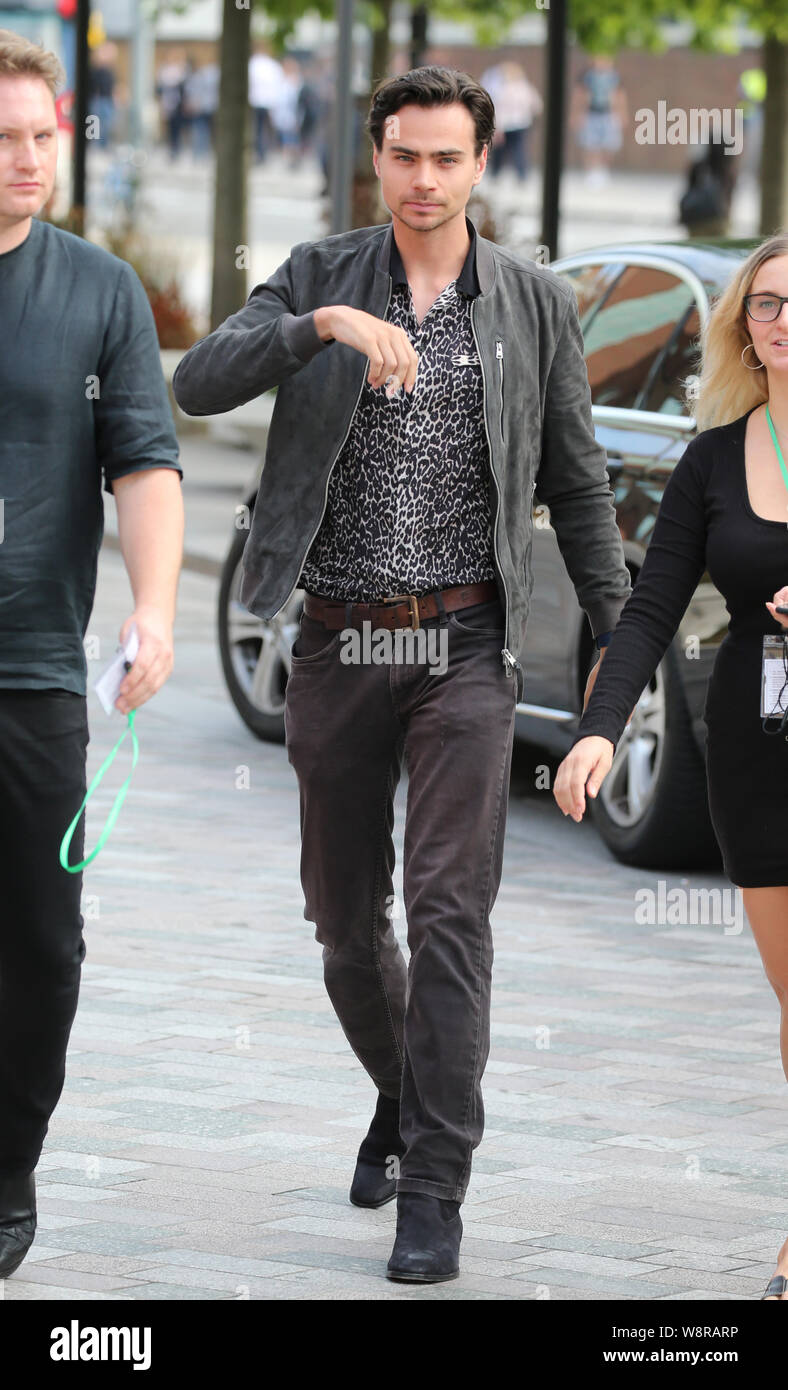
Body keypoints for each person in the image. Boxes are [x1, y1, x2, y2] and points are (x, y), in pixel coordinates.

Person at [172, 64, 631, 1284]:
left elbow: (579, 493)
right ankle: (401, 1092)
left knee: (448, 914)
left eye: (446, 158)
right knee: (340, 921)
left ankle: (434, 1185)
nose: (423, 181)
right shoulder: (320, 274)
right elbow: (194, 380)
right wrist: (314, 327)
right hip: (337, 639)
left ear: (481, 164)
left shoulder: (532, 302)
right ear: (374, 159)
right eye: (403, 157)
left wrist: (616, 662)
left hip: (461, 648)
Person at [553, 232, 788, 1302]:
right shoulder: (711, 459)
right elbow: (651, 609)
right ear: (745, 323)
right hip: (758, 736)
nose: (782, 321)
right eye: (767, 304)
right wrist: (599, 725)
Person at [0, 31, 184, 1279]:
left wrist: (156, 607)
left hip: (32, 674)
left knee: (41, 941)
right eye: (2, 140)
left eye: (41, 137)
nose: (26, 161)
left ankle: (6, 1166)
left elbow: (145, 462)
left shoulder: (98, 288)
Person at [570, 53, 627, 186]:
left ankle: (603, 170)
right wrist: (576, 114)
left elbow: (620, 95)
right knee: (590, 144)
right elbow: (578, 95)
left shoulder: (614, 77)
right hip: (591, 113)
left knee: (609, 144)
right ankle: (591, 171)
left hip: (608, 114)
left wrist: (622, 113)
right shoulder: (587, 77)